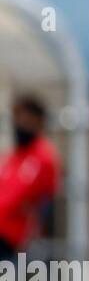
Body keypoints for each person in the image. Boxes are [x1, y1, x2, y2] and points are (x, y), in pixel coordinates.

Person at [0, 97, 61, 265]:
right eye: (17, 119)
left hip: (13, 244)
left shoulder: (43, 157)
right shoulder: (13, 158)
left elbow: (40, 202)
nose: (19, 125)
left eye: (25, 120)